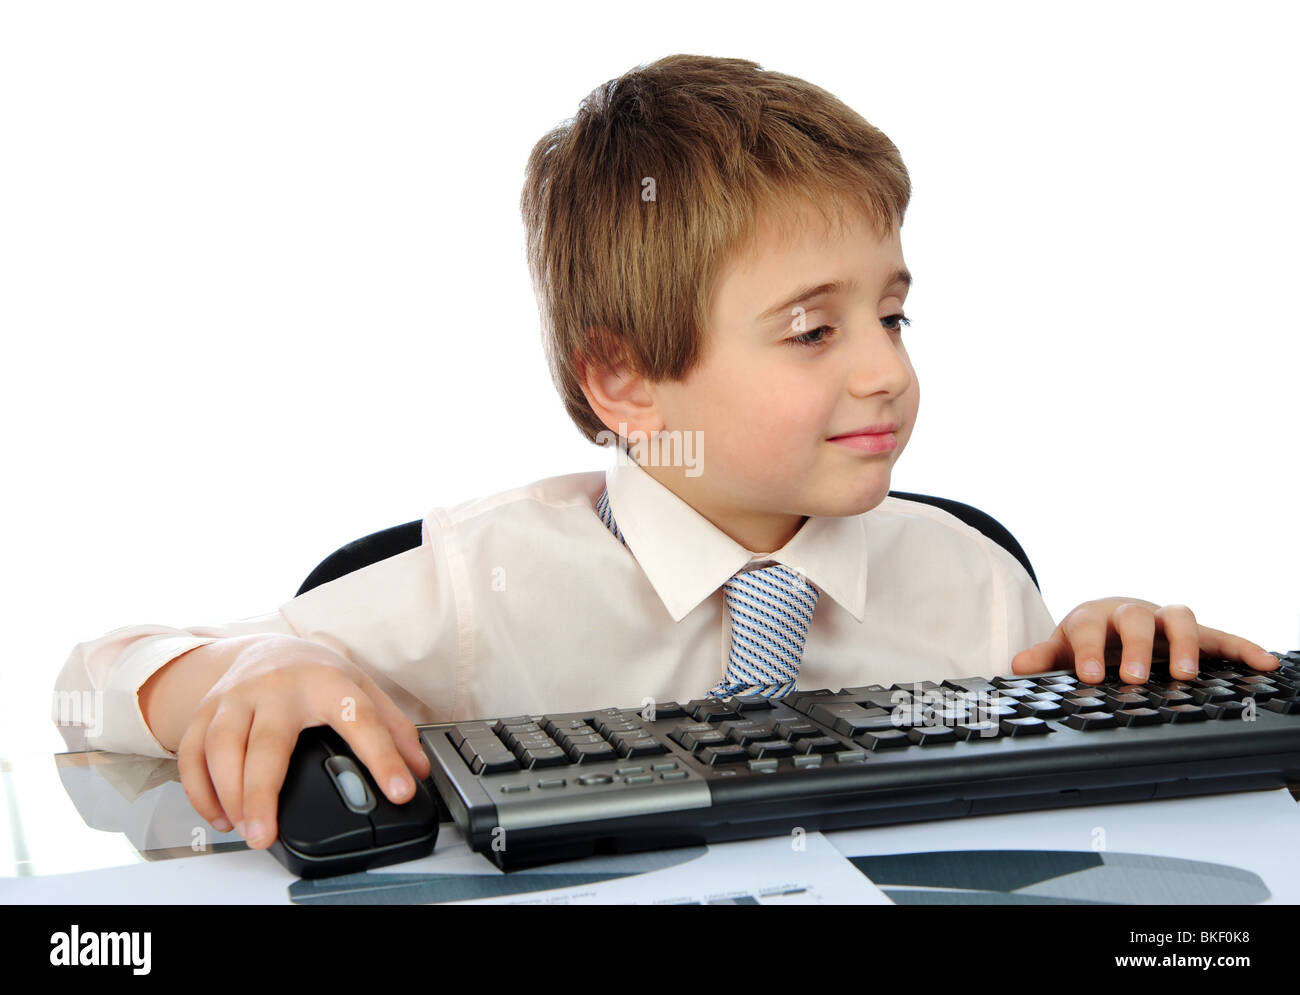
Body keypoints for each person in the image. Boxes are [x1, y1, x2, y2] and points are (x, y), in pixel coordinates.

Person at [52, 53, 1279, 854]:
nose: (885, 371)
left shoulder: (965, 575)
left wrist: (1094, 665)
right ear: (623, 378)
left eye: (892, 315)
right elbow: (95, 677)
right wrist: (245, 663)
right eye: (812, 329)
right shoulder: (480, 586)